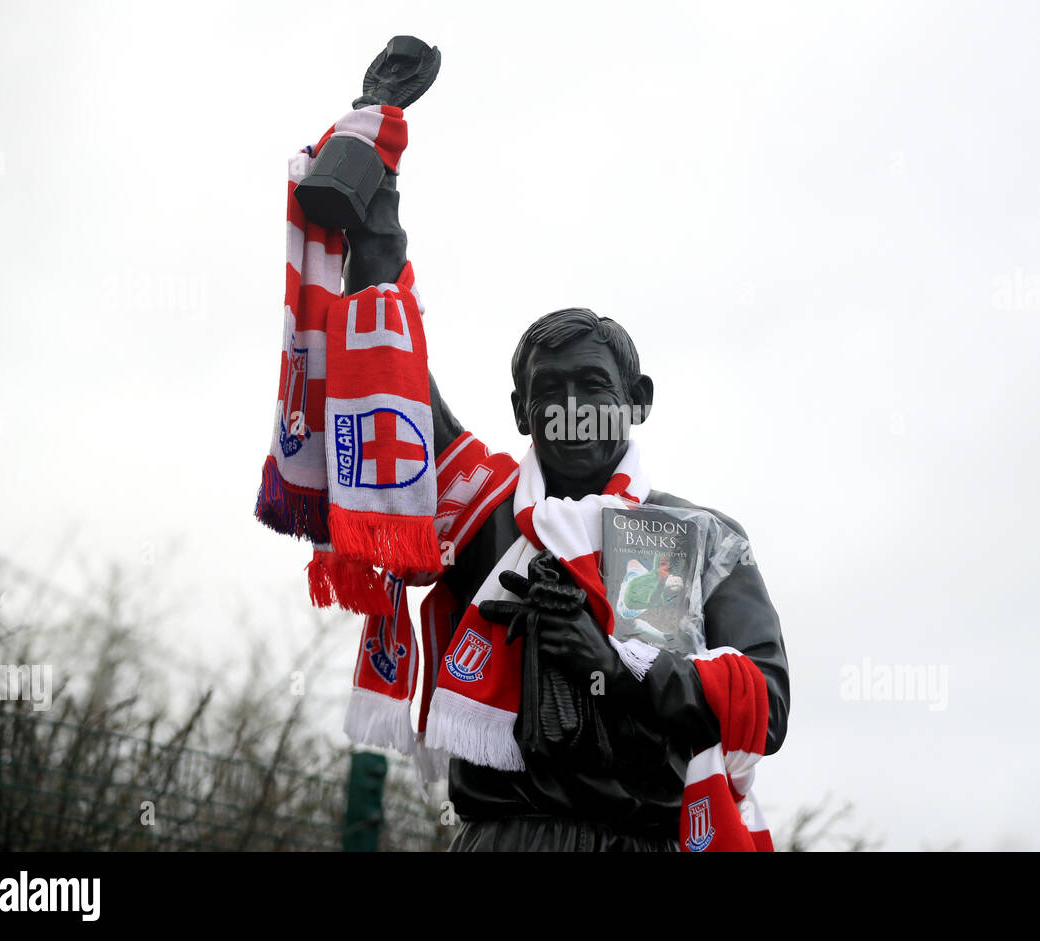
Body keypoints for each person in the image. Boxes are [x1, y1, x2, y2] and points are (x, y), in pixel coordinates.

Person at [307, 39, 790, 852]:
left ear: (637, 402)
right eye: (549, 394)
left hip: (638, 840)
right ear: (521, 412)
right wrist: (376, 177)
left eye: (593, 390)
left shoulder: (695, 535)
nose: (571, 410)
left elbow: (766, 704)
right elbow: (391, 375)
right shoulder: (482, 513)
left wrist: (619, 659)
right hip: (497, 838)